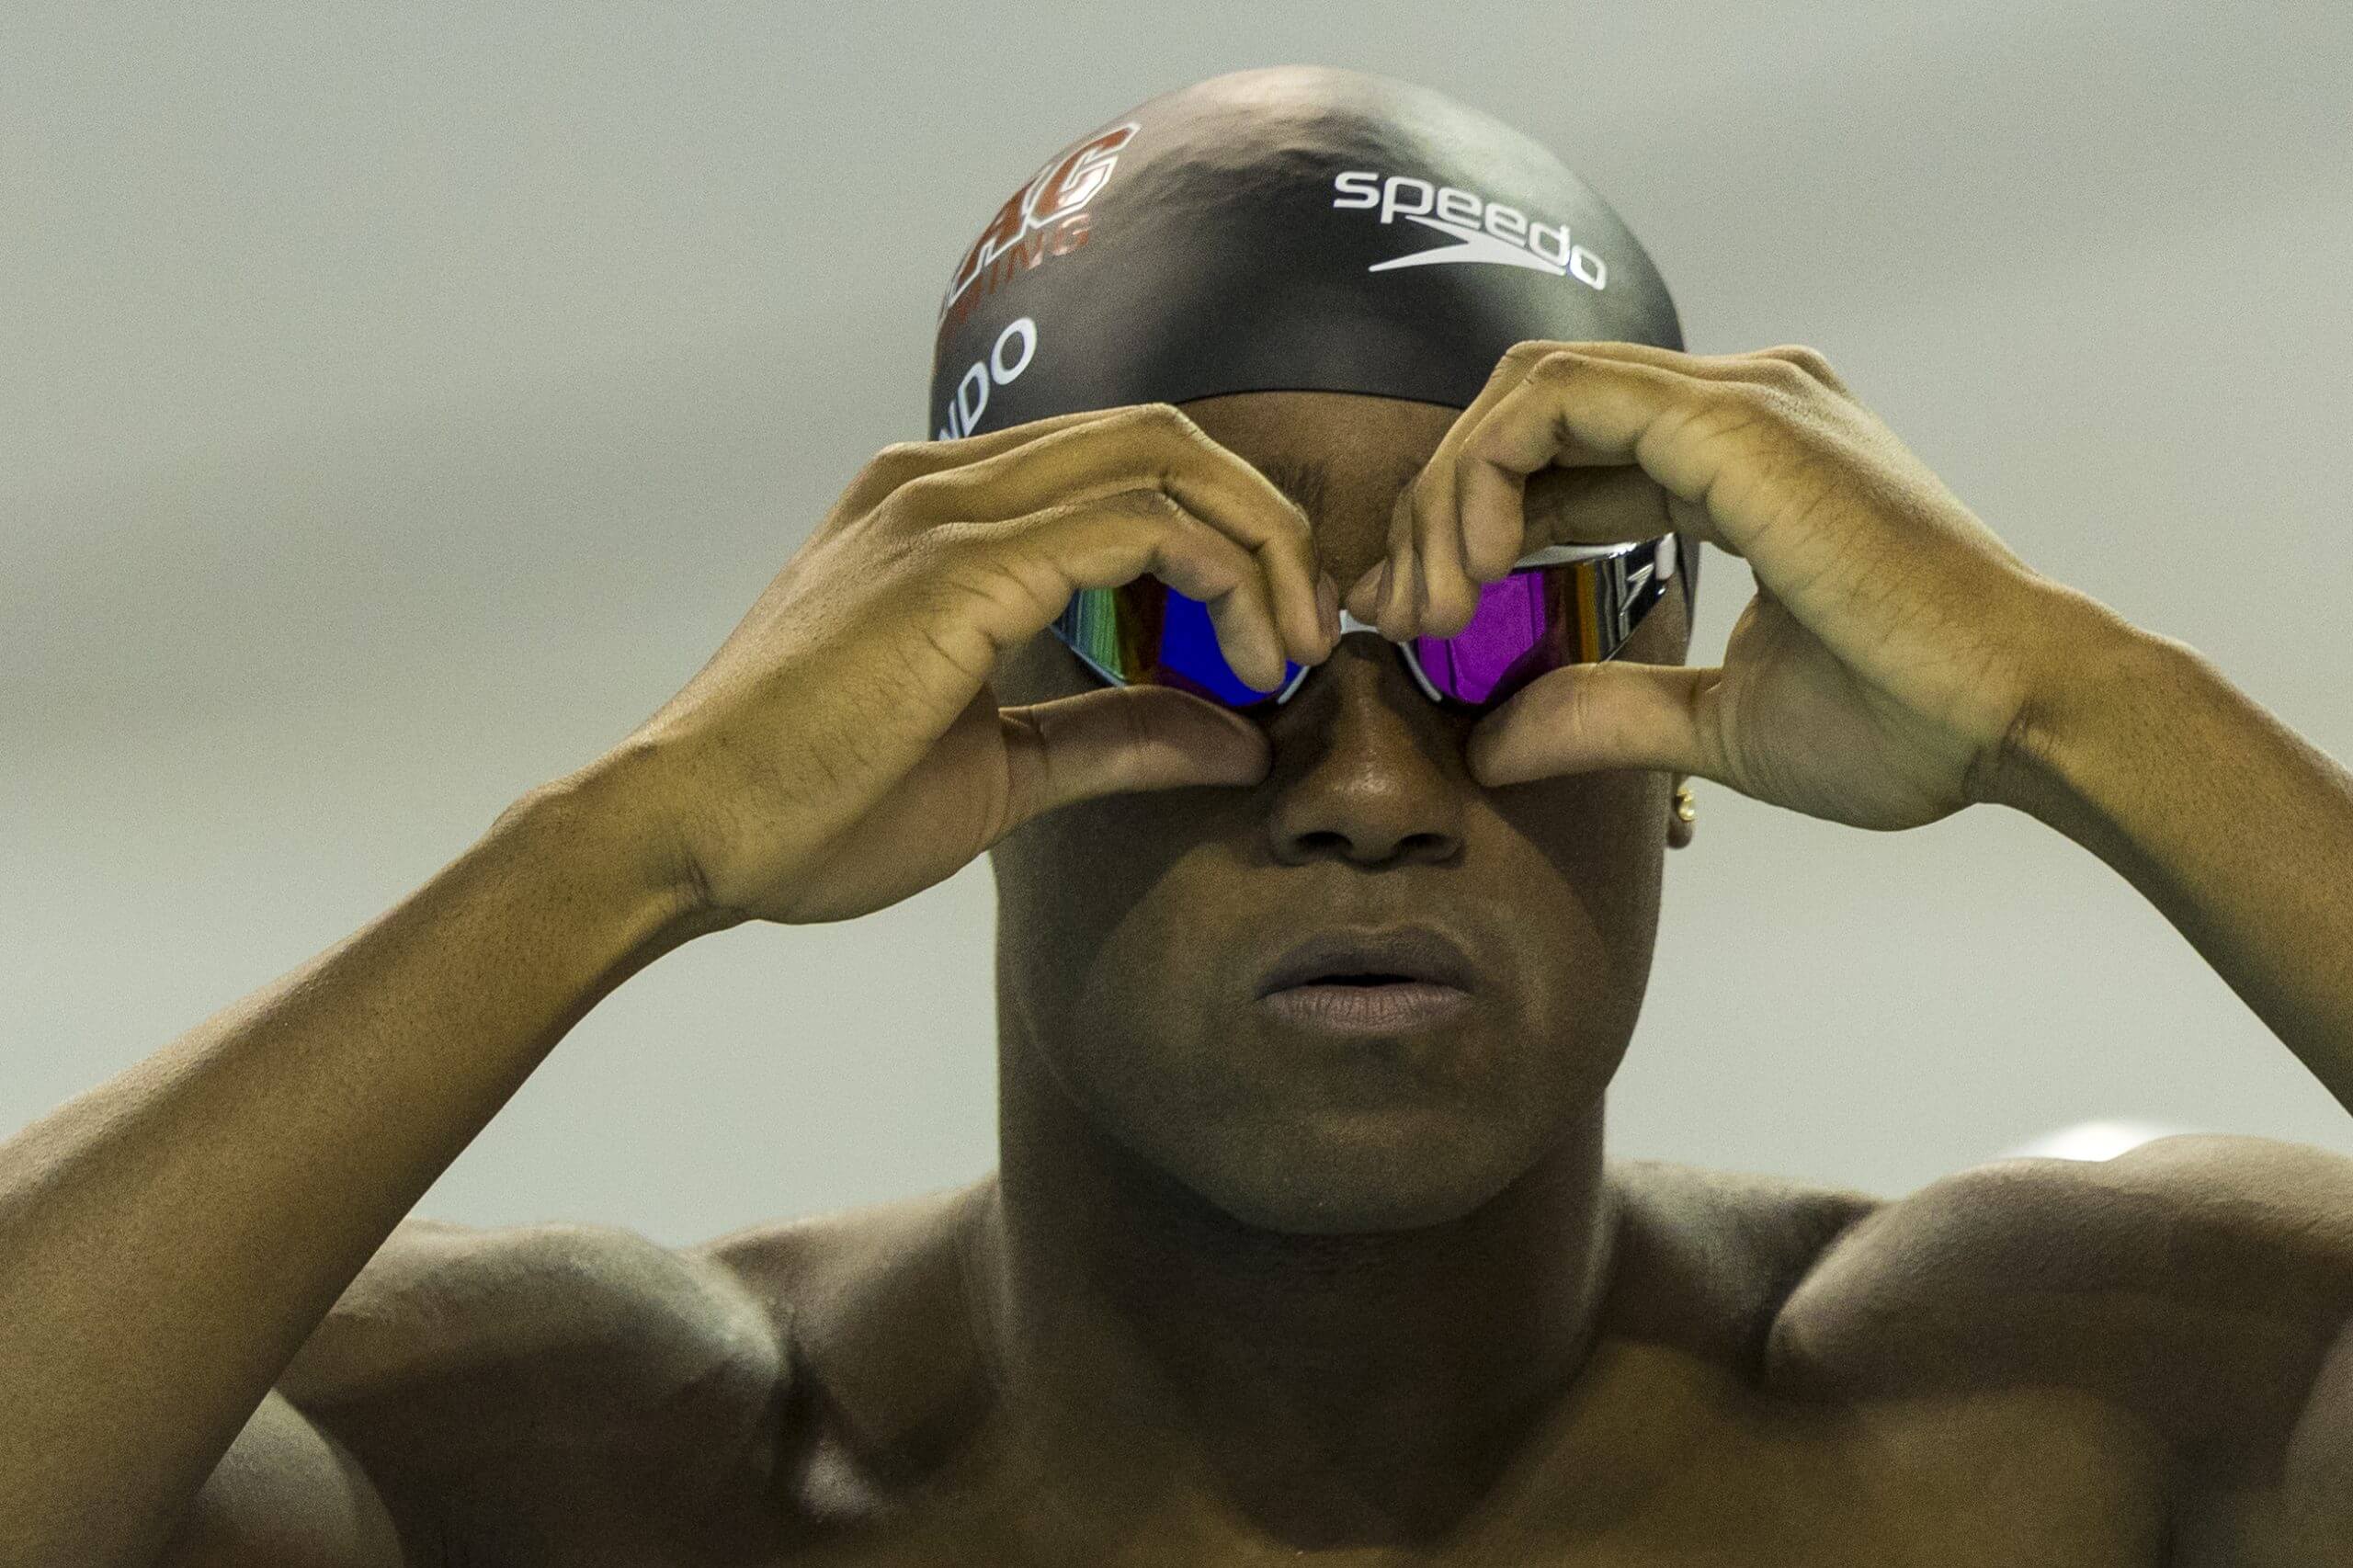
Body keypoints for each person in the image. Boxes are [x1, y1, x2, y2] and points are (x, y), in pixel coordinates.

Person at [6, 63, 2351, 1568]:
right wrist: (631, 840)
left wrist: (2074, 697)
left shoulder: (2060, 1405)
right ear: (949, 736)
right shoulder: (607, 1472)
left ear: (1677, 720)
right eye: (1184, 634)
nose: (1360, 788)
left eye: (1501, 634)